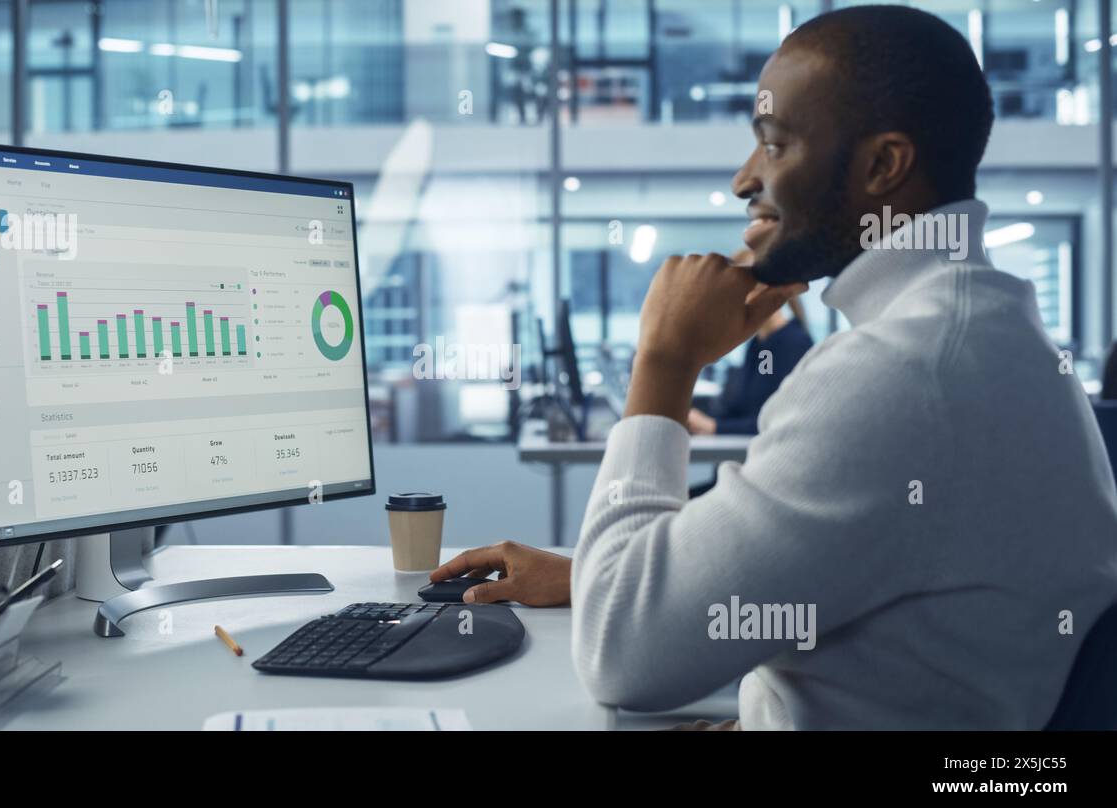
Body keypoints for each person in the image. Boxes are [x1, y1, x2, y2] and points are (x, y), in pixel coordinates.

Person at [431, 5, 1117, 729]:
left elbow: (621, 657)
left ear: (884, 165)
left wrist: (664, 363)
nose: (743, 180)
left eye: (775, 145)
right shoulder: (988, 330)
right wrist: (595, 580)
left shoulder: (896, 374)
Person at [686, 293, 812, 437]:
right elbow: (749, 407)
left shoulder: (793, 343)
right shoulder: (759, 344)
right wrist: (704, 421)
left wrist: (714, 426)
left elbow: (777, 421)